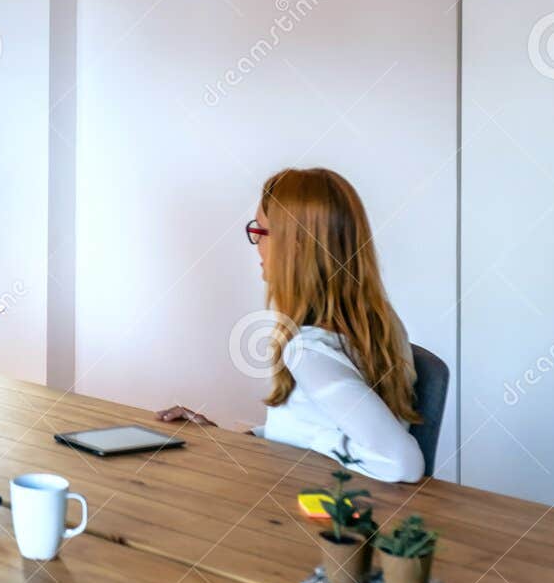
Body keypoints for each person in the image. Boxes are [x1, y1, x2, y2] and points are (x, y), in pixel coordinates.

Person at [158, 167, 426, 483]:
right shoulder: (384, 326)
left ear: (294, 246)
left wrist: (311, 442)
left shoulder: (310, 352)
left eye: (261, 232)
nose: (256, 244)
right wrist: (230, 441)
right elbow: (322, 421)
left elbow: (403, 463)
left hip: (316, 515)